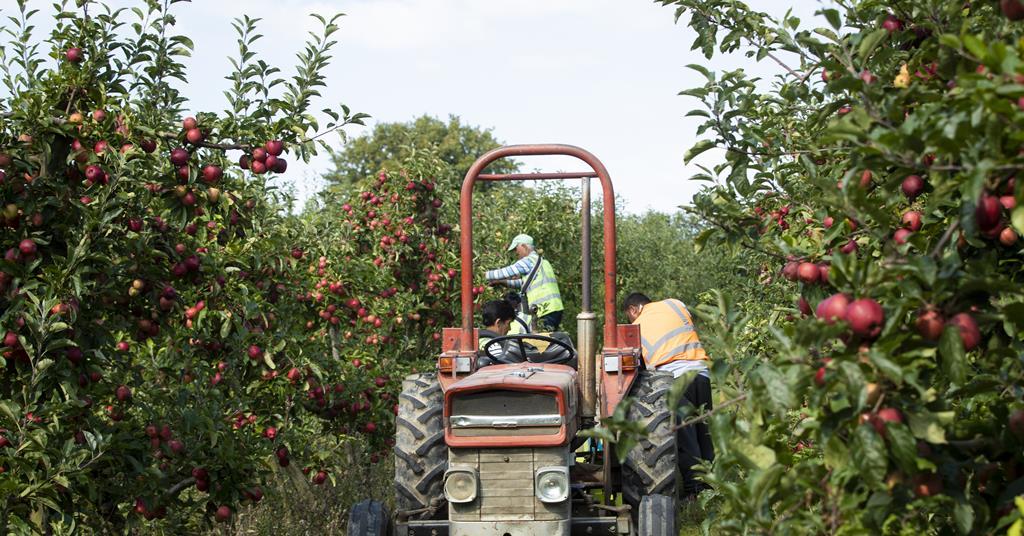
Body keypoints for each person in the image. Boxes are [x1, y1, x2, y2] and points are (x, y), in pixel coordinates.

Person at [622, 292, 713, 500]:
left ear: (633, 310)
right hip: (701, 371)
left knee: (684, 434)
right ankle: (710, 484)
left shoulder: (637, 326)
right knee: (702, 429)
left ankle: (694, 491)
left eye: (629, 316)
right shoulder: (675, 304)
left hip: (675, 378)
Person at [485, 234, 564, 332]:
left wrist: (482, 275)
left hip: (545, 309)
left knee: (541, 342)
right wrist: (502, 282)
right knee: (544, 338)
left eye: (516, 248)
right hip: (554, 308)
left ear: (524, 246)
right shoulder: (543, 262)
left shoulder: (529, 261)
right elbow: (524, 284)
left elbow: (507, 271)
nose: (516, 252)